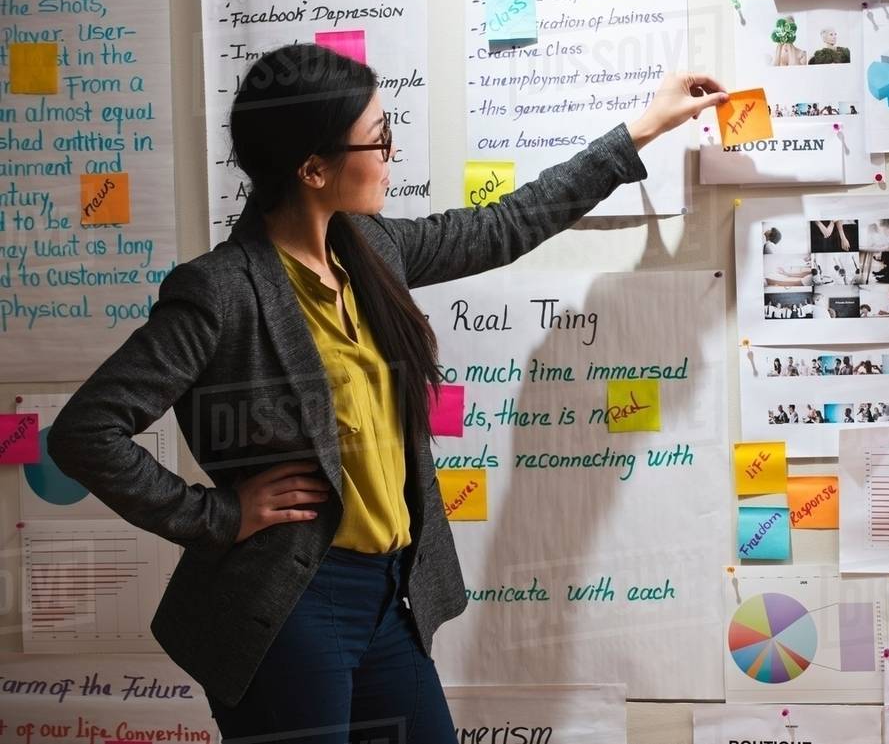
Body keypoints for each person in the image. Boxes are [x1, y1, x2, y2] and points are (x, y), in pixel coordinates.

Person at [44, 43, 728, 744]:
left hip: (389, 595)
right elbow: (84, 432)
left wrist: (643, 128)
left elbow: (505, 226)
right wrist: (218, 512)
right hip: (290, 606)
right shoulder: (220, 291)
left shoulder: (371, 249)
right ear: (313, 168)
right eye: (379, 139)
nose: (391, 153)